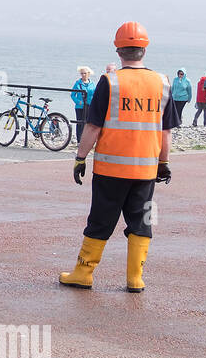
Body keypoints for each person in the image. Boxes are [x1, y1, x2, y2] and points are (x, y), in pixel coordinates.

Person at [59, 21, 175, 294]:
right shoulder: (162, 83)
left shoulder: (109, 82)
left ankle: (83, 273)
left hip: (110, 169)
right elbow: (166, 131)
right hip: (145, 170)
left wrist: (80, 157)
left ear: (118, 50)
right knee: (141, 221)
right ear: (144, 49)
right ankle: (135, 279)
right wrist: (164, 162)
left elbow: (92, 126)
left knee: (100, 220)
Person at [70, 66, 95, 138]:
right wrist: (78, 102)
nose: (83, 75)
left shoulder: (92, 84)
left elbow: (95, 94)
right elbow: (72, 95)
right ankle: (79, 140)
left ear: (89, 74)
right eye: (82, 73)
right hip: (80, 107)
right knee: (80, 123)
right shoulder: (78, 83)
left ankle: (87, 139)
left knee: (88, 123)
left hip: (89, 106)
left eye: (85, 73)